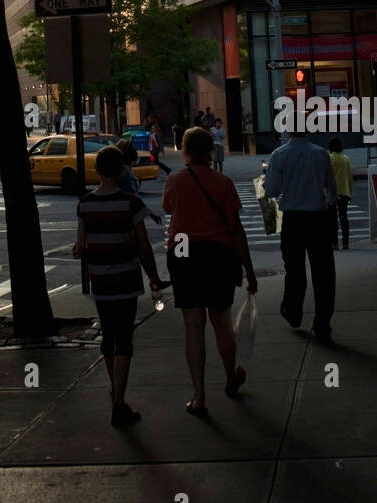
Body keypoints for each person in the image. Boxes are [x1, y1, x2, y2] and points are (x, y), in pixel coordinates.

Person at [162, 127, 257, 418]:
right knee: (221, 320)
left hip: (184, 252)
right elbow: (236, 230)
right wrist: (249, 270)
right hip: (218, 254)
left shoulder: (174, 181)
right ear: (209, 151)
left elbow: (168, 209)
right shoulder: (223, 183)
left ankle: (199, 396)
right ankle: (230, 376)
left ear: (186, 150)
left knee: (193, 326)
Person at [73, 144, 168, 428]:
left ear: (97, 170)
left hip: (100, 279)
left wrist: (84, 251)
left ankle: (116, 392)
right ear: (122, 169)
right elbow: (143, 246)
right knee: (125, 338)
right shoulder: (131, 202)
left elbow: (81, 245)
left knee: (109, 337)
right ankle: (119, 402)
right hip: (126, 278)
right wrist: (153, 276)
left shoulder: (84, 204)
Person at [265, 125, 337, 344]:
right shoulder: (320, 153)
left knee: (294, 269)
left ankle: (293, 310)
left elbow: (272, 190)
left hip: (293, 220)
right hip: (318, 218)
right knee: (324, 273)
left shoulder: (279, 155)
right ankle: (322, 322)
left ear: (287, 130)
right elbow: (331, 189)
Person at [328, 138, 353, 250]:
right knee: (344, 218)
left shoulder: (329, 158)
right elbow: (349, 177)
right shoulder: (345, 159)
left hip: (332, 192)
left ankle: (334, 243)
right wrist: (350, 192)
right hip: (344, 191)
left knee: (332, 219)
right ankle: (345, 243)